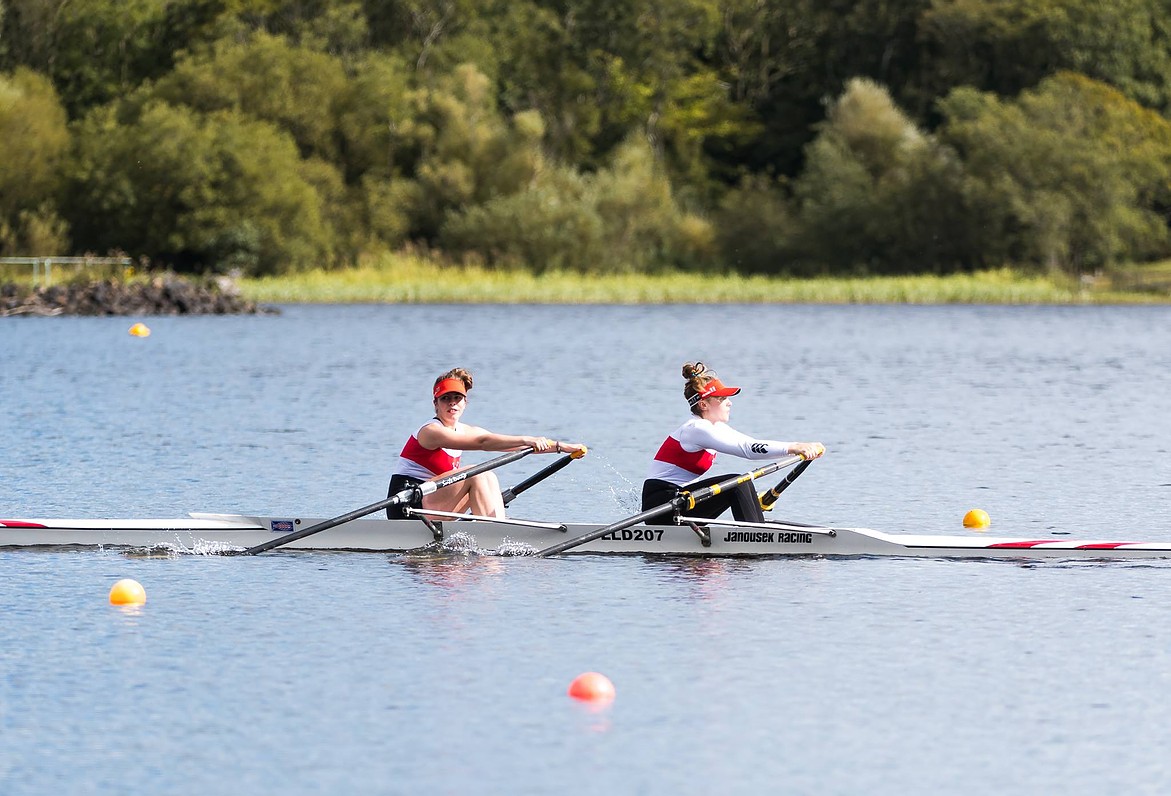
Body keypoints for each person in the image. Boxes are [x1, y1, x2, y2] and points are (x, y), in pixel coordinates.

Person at [387, 368, 586, 519]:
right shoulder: (430, 431)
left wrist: (562, 447)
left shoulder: (466, 430)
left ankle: (496, 527)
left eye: (458, 398)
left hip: (431, 502)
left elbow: (513, 446)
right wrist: (528, 438)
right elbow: (484, 442)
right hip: (406, 507)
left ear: (466, 402)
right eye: (445, 399)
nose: (452, 403)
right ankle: (494, 534)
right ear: (435, 404)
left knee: (487, 475)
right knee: (477, 473)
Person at [641, 361, 825, 524]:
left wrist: (798, 446)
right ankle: (755, 535)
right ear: (703, 405)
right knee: (738, 482)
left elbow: (751, 443)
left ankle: (755, 526)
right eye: (722, 399)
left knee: (740, 482)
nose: (729, 403)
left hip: (682, 500)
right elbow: (748, 450)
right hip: (662, 506)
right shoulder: (696, 429)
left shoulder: (714, 428)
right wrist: (795, 447)